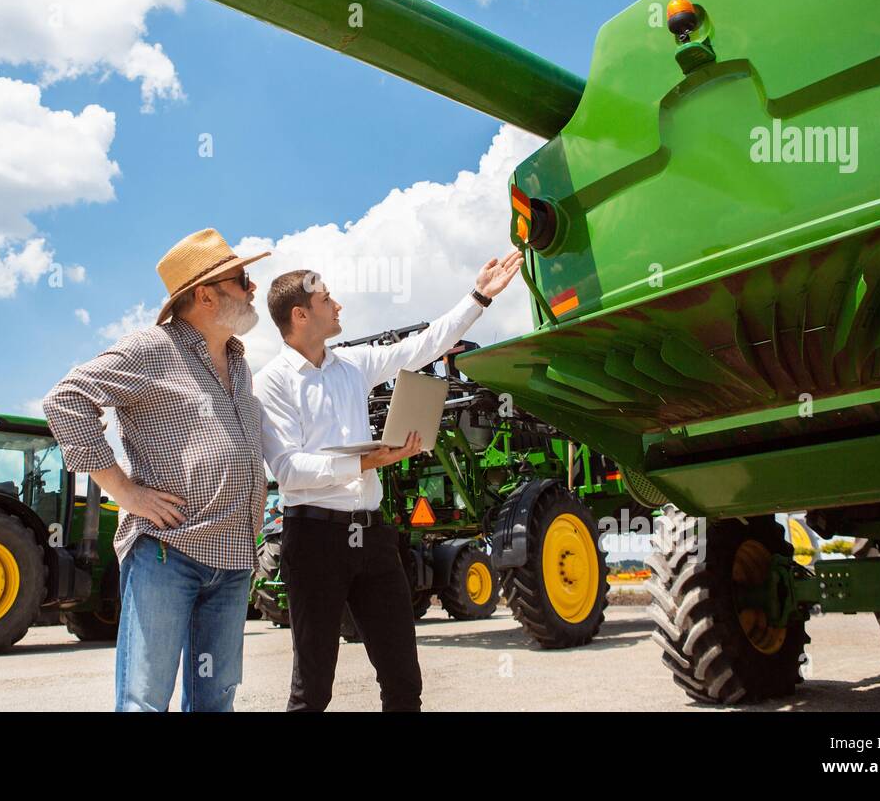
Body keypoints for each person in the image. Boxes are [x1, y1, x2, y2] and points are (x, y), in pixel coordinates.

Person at [254, 252, 524, 710]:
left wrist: (479, 296)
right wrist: (364, 462)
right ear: (300, 315)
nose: (338, 306)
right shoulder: (271, 383)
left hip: (374, 537)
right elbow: (289, 470)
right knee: (313, 689)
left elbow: (424, 345)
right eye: (327, 299)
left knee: (403, 681)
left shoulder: (352, 365)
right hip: (314, 538)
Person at [42, 228, 269, 711]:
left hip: (232, 558)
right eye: (242, 279)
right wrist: (125, 493)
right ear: (206, 294)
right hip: (170, 553)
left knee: (216, 700)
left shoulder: (239, 362)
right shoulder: (151, 349)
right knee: (145, 699)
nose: (253, 289)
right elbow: (65, 400)